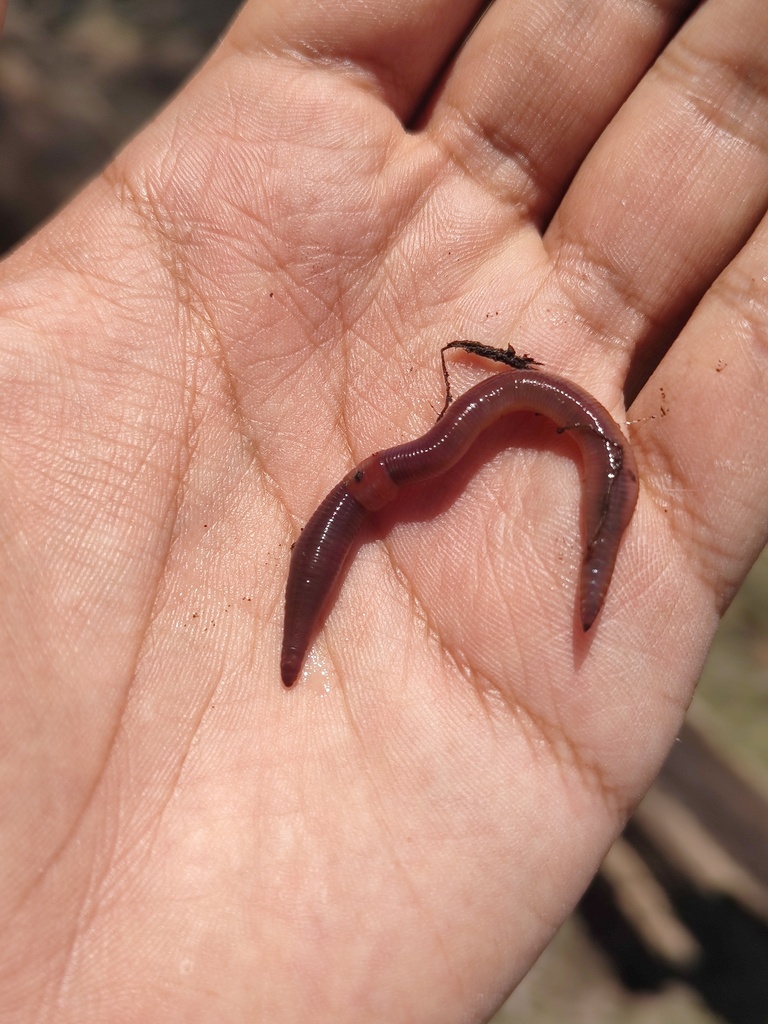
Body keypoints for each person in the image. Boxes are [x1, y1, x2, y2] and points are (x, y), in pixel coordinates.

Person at [0, 0, 765, 1019]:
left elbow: (510, 438)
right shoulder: (458, 439)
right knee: (395, 492)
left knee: (502, 461)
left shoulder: (518, 419)